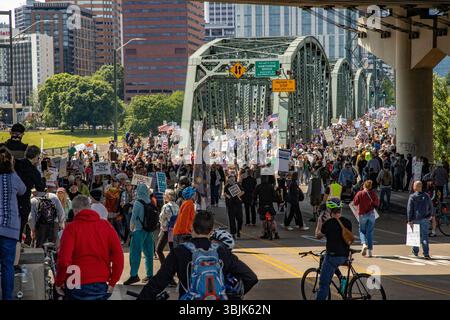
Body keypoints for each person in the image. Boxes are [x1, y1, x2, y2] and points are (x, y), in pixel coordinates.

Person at [136, 211, 258, 300]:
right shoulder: (222, 251)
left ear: (191, 227)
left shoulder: (179, 252)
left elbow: (158, 282)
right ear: (210, 232)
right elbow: (251, 277)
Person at [55, 195, 124, 300]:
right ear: (89, 207)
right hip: (100, 282)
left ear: (75, 211)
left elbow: (64, 260)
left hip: (75, 281)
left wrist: (59, 282)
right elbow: (118, 256)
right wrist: (113, 281)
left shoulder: (71, 229)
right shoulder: (106, 226)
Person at [0, 147, 26, 300]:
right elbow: (22, 190)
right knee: (7, 266)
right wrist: (13, 170)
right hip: (10, 228)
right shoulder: (13, 177)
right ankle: (7, 297)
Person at [315, 199, 352, 300]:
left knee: (323, 285)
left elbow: (317, 236)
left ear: (330, 210)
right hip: (345, 256)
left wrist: (320, 222)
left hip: (333, 256)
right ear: (340, 210)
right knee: (326, 258)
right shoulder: (347, 222)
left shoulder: (329, 223)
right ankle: (341, 278)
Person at [124, 184, 157, 285]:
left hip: (138, 231)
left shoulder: (138, 203)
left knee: (135, 253)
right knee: (149, 253)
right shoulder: (150, 201)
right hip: (149, 231)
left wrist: (131, 230)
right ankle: (150, 275)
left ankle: (134, 275)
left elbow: (133, 219)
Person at [14, 145, 46, 243]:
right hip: (23, 201)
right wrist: (44, 175)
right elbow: (40, 187)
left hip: (12, 198)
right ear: (36, 156)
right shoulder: (33, 170)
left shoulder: (17, 163)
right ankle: (17, 244)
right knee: (20, 225)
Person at [353, 180, 380, 257]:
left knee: (362, 230)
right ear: (371, 186)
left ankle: (364, 244)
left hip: (362, 215)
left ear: (364, 185)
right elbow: (377, 203)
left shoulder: (360, 193)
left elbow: (355, 202)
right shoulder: (373, 194)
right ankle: (370, 251)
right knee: (370, 232)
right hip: (371, 214)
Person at [407, 181, 433, 259]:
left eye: (414, 186)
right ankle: (426, 253)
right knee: (425, 237)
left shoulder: (412, 196)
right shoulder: (427, 196)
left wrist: (409, 219)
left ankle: (415, 251)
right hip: (425, 218)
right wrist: (430, 215)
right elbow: (431, 206)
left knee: (415, 236)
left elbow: (409, 209)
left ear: (416, 187)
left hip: (415, 218)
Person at [156, 189, 179, 268]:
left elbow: (161, 219)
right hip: (174, 230)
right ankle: (174, 268)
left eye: (164, 194)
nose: (163, 196)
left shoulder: (166, 206)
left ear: (168, 196)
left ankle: (165, 267)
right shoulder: (176, 205)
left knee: (158, 249)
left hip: (166, 230)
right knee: (172, 250)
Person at [254, 174, 279, 239]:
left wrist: (254, 201)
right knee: (272, 220)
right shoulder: (271, 186)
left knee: (263, 220)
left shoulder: (258, 187)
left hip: (262, 206)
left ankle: (264, 233)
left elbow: (254, 195)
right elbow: (274, 196)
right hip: (270, 206)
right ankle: (276, 233)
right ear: (267, 179)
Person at [224, 175, 244, 240]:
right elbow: (225, 194)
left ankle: (239, 230)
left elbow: (243, 191)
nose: (232, 181)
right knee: (232, 220)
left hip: (238, 205)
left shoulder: (237, 185)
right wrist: (227, 196)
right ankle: (233, 233)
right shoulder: (226, 186)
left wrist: (239, 194)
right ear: (228, 180)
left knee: (240, 219)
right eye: (230, 179)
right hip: (230, 205)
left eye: (233, 179)